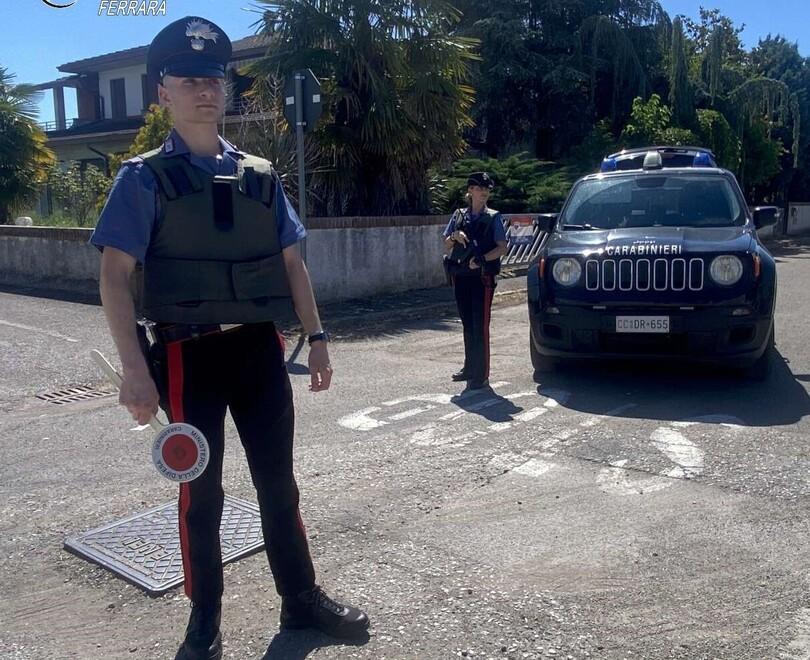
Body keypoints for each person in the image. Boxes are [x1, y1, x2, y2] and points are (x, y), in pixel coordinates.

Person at [90, 16, 369, 660]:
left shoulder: (261, 176)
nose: (204, 90)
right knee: (201, 494)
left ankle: (301, 600)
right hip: (186, 354)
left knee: (279, 482)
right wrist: (134, 370)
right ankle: (204, 619)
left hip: (258, 351)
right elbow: (114, 277)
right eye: (189, 80)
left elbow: (293, 263)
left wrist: (318, 338)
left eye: (213, 79)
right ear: (163, 92)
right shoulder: (141, 179)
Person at [443, 172, 508, 390]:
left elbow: (502, 248)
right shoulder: (459, 215)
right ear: (470, 191)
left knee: (480, 326)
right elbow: (446, 243)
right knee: (467, 324)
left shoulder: (493, 217)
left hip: (482, 278)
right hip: (461, 276)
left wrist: (481, 260)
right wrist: (455, 236)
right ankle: (469, 368)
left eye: (486, 189)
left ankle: (481, 375)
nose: (484, 193)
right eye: (480, 189)